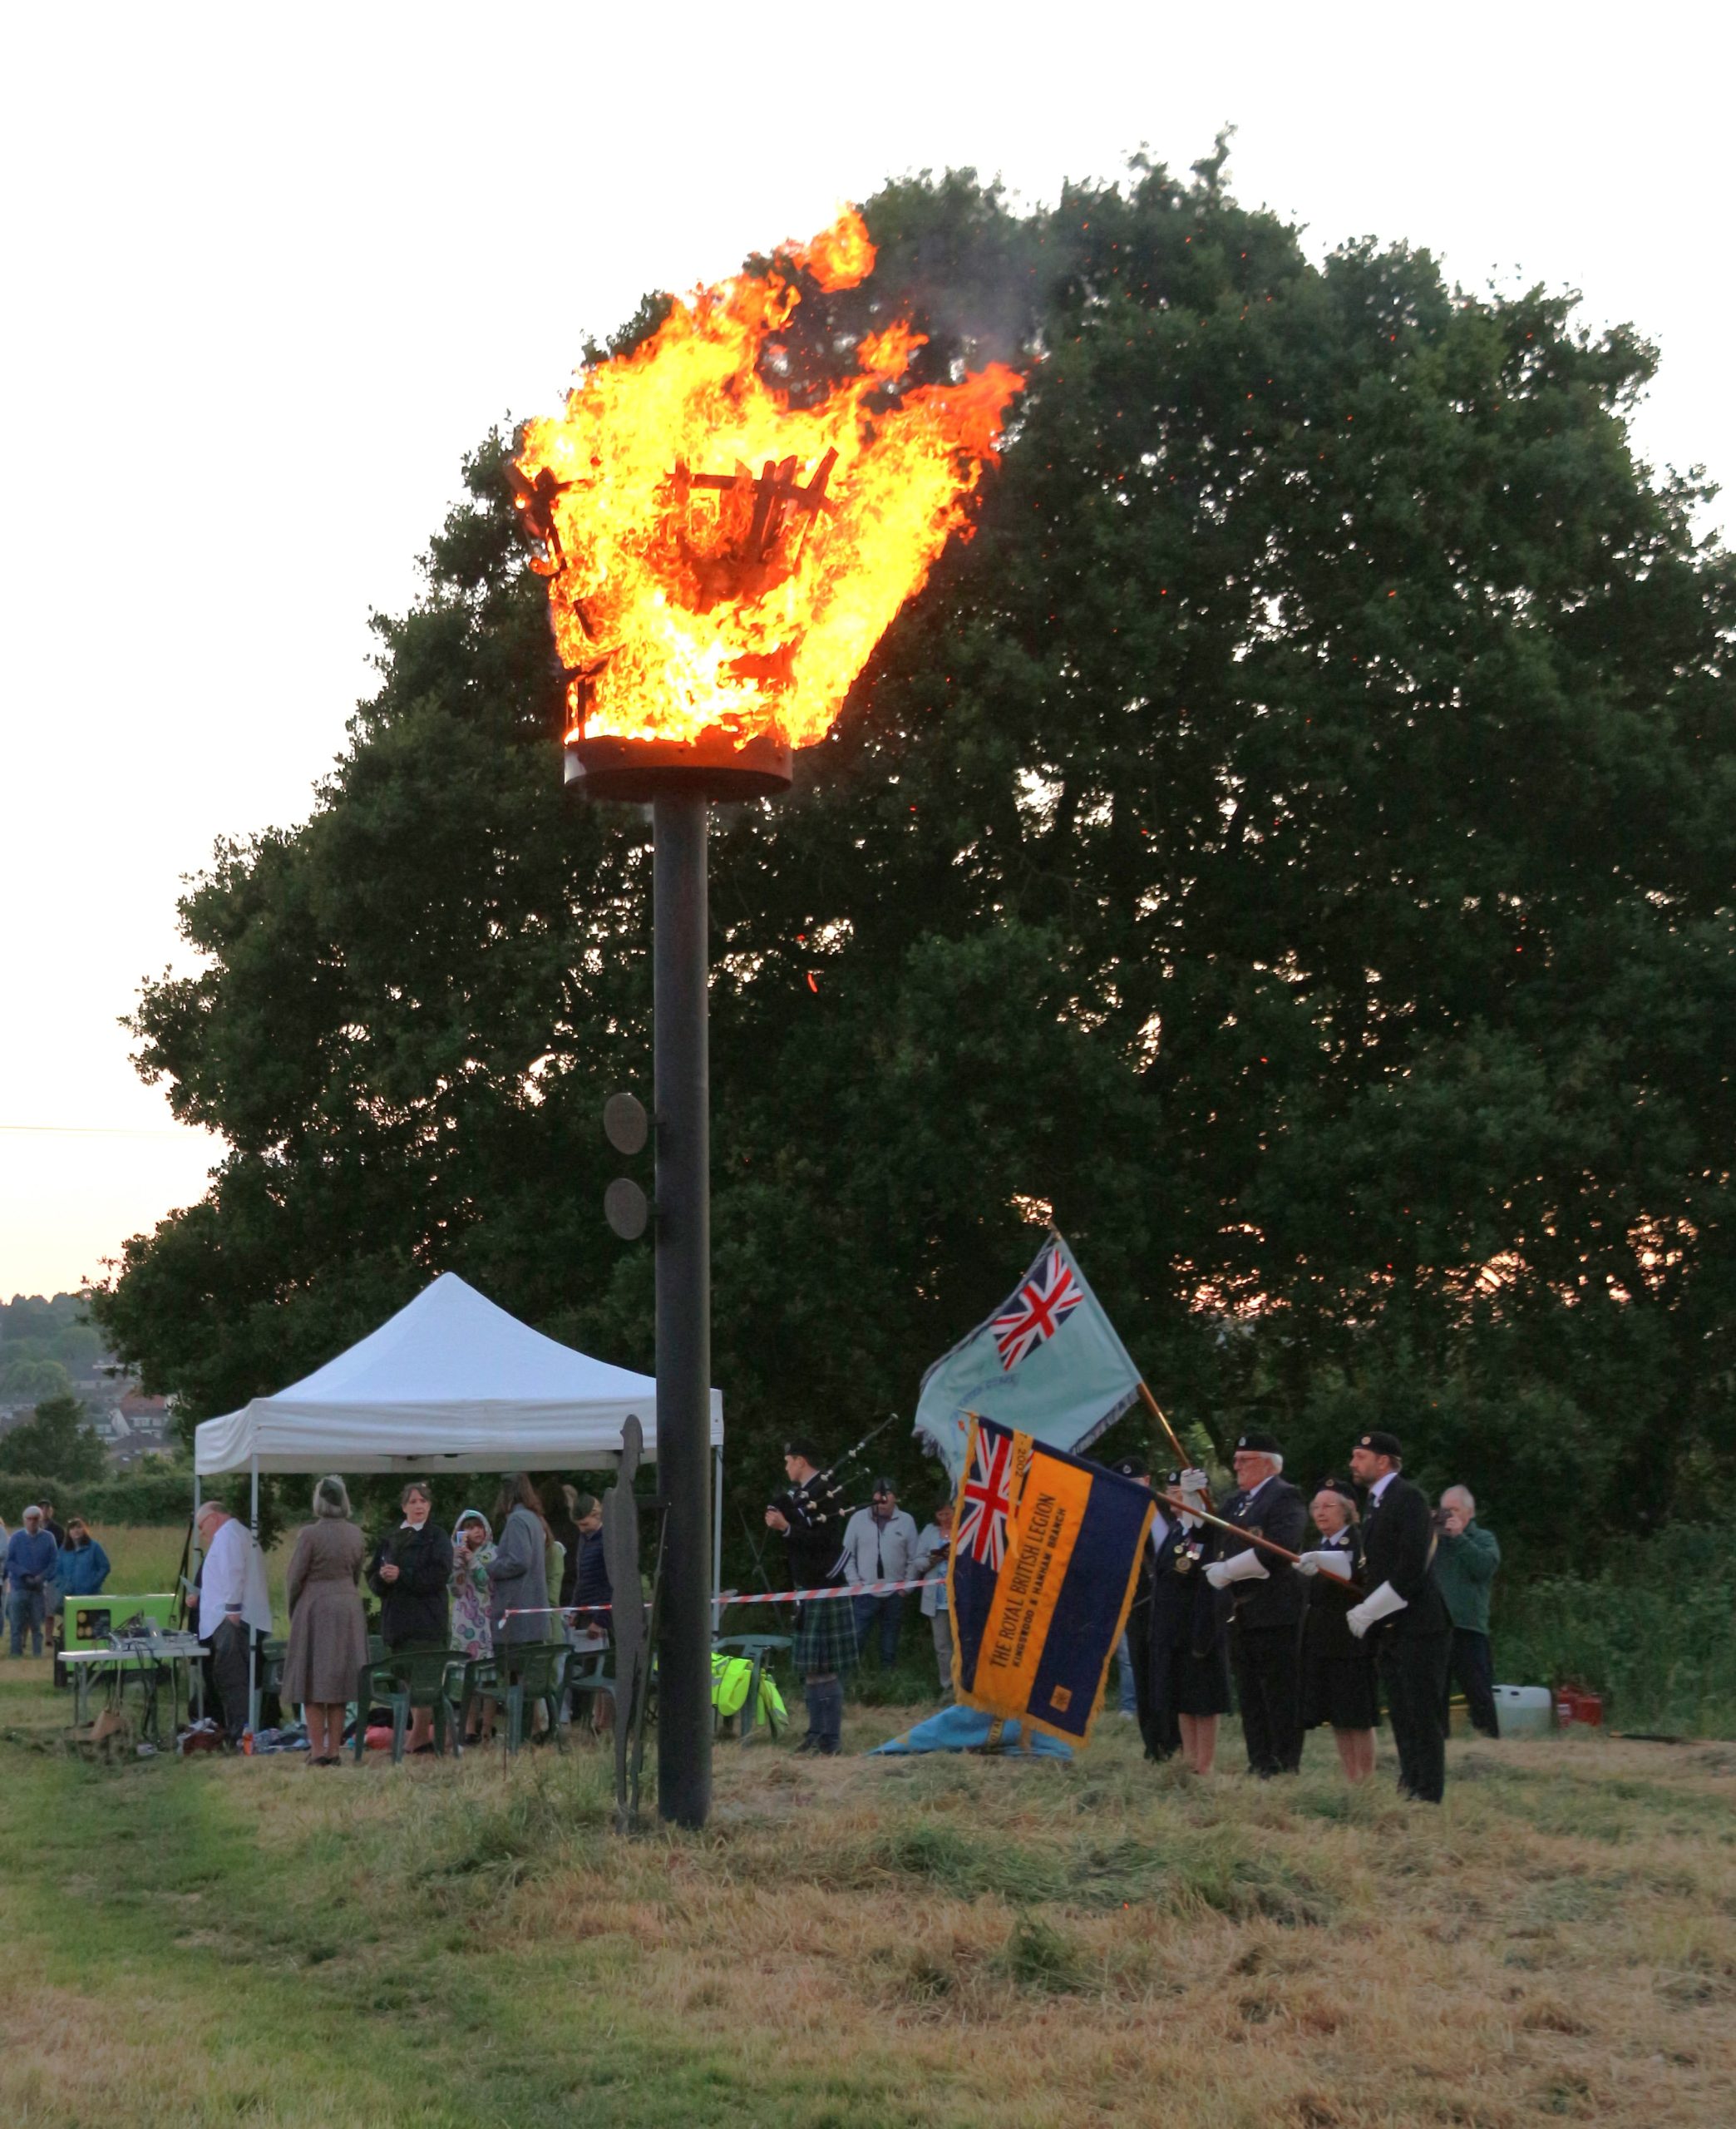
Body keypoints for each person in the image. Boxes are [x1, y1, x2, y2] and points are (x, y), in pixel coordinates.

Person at [1345, 1430, 1452, 1803]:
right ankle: (1410, 1784)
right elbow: (1372, 1566)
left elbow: (1410, 1568)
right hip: (1392, 1629)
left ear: (1384, 1461)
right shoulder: (1376, 1503)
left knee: (1423, 1714)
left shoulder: (1407, 1498)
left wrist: (1368, 1610)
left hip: (1420, 1625)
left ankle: (1428, 1794)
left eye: (1360, 1456)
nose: (1353, 1464)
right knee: (1403, 1714)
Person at [1204, 1429, 1309, 1777]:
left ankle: (1283, 1762)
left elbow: (1280, 1546)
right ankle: (1259, 1760)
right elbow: (1214, 1533)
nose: (1236, 1466)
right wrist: (1193, 1498)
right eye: (1235, 1460)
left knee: (1279, 1690)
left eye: (1244, 1460)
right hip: (1240, 1609)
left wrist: (1230, 1569)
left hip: (1274, 1607)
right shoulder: (1236, 1501)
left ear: (1267, 1465)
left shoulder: (1285, 1497)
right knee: (1249, 1691)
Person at [766, 1435, 856, 1755]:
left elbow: (823, 1540)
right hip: (809, 1585)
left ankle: (830, 1739)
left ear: (800, 1461)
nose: (786, 1465)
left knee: (825, 1665)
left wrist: (787, 1529)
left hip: (825, 1584)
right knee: (812, 1667)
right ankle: (816, 1733)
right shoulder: (802, 1495)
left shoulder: (825, 1496)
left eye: (789, 1460)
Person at [281, 1476, 368, 1766]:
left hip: (316, 1607)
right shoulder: (356, 1534)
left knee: (313, 1682)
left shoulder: (309, 1535)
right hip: (348, 1607)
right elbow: (356, 1574)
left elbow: (294, 1579)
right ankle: (334, 1751)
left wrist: (294, 1609)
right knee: (341, 1682)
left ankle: (317, 1751)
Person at [1295, 1479, 1378, 1783]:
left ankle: (1365, 1780)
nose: (1321, 1513)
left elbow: (1355, 1572)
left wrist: (1321, 1563)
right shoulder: (1318, 1547)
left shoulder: (1357, 1541)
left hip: (1351, 1639)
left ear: (1347, 1510)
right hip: (1321, 1638)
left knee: (1356, 1715)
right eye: (1316, 1507)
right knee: (1338, 1717)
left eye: (1329, 1506)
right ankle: (1350, 1775)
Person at [190, 1500, 272, 1743]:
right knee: (230, 1677)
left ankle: (240, 1734)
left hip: (230, 1620)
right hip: (230, 1617)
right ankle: (238, 1730)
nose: (201, 1532)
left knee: (232, 1678)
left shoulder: (228, 1536)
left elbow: (233, 1573)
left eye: (202, 1525)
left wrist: (233, 1610)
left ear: (214, 1518)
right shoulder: (237, 1534)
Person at [1434, 1484, 1502, 1738]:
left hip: (1468, 1627)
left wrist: (1459, 1537)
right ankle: (1439, 1741)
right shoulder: (1434, 1542)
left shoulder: (1483, 1539)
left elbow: (1484, 1568)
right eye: (1445, 1509)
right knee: (1436, 1690)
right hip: (1437, 1627)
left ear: (1469, 1512)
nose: (1448, 1514)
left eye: (1454, 1509)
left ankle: (1489, 1738)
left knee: (1478, 1690)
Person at [840, 1478, 920, 1670]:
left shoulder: (907, 1521)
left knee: (890, 1641)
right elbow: (846, 1555)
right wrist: (856, 1586)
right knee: (856, 1637)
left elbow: (915, 1558)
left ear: (896, 1498)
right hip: (864, 1592)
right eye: (879, 1493)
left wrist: (906, 1587)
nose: (883, 1498)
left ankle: (887, 1681)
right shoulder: (858, 1519)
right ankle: (850, 1680)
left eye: (888, 1494)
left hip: (895, 1593)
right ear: (873, 1496)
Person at [487, 1474, 550, 1650]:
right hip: (533, 1618)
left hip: (517, 1618)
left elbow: (519, 1561)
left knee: (513, 1672)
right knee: (531, 1675)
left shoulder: (517, 1520)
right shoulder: (534, 1518)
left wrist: (491, 1568)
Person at [910, 1499, 955, 1699]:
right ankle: (947, 1686)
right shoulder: (929, 1531)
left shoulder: (965, 1528)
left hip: (961, 1597)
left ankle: (968, 1687)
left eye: (948, 1514)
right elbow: (917, 1561)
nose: (945, 1519)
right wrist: (933, 1559)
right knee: (943, 1647)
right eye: (941, 1515)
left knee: (965, 1644)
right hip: (936, 1599)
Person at [5, 1507, 57, 1658]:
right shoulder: (16, 1538)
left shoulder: (48, 1538)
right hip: (19, 1587)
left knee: (37, 1626)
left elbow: (54, 1562)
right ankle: (16, 1655)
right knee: (16, 1625)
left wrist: (42, 1576)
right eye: (29, 1519)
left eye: (36, 1518)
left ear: (40, 1520)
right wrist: (24, 1574)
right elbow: (10, 1562)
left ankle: (37, 1655)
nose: (32, 1522)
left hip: (38, 1589)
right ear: (24, 1520)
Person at [56, 1518, 111, 1599]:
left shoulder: (94, 1547)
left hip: (90, 1596)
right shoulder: (63, 1550)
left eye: (79, 1527)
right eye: (72, 1528)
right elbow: (57, 1571)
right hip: (70, 1597)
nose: (76, 1530)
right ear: (69, 1532)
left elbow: (105, 1567)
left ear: (84, 1529)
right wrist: (63, 1586)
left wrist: (94, 1584)